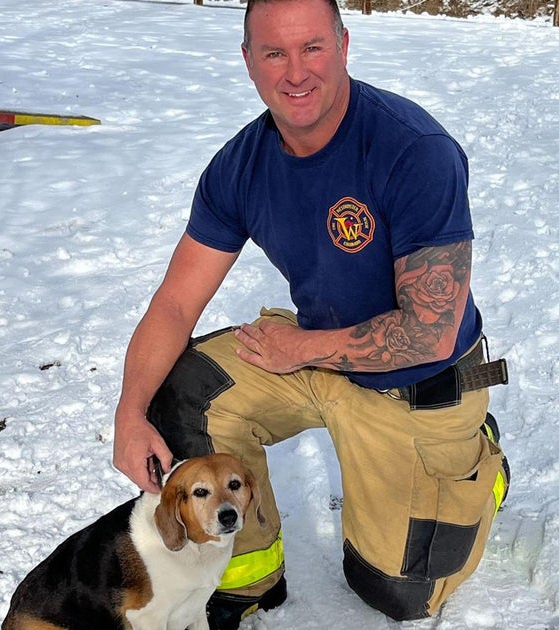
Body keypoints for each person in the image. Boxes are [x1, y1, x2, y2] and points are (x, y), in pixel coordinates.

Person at [111, 0, 508, 627]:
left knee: (395, 594)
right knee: (182, 394)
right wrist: (130, 412)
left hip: (419, 385)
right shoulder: (241, 165)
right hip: (317, 355)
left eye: (312, 48)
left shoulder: (414, 151)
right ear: (249, 61)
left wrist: (303, 348)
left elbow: (429, 334)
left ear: (344, 46)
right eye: (274, 53)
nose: (295, 73)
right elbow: (176, 302)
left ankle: (476, 467)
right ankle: (246, 577)